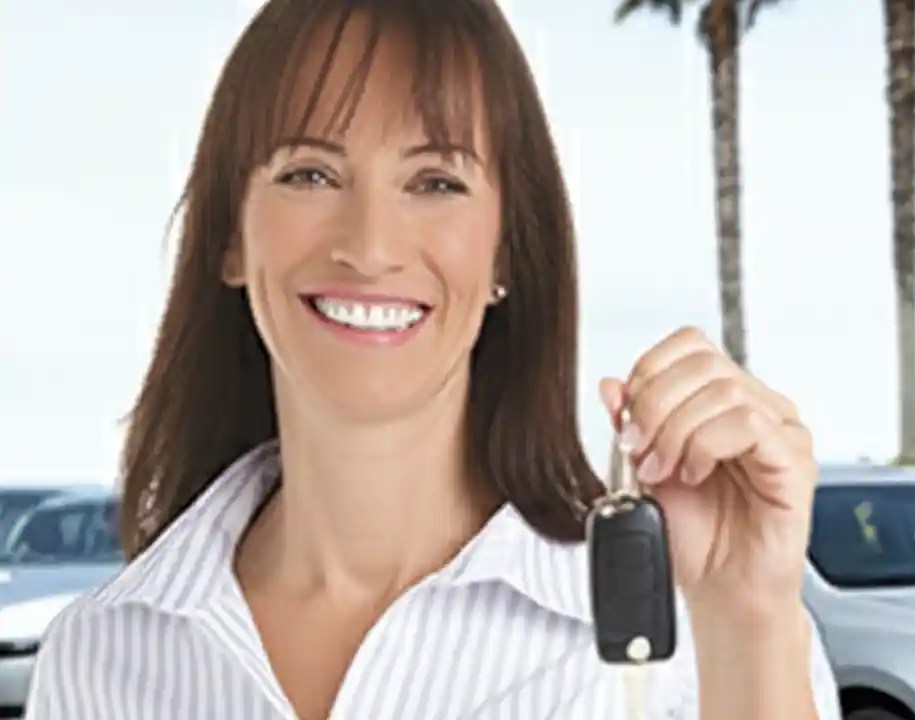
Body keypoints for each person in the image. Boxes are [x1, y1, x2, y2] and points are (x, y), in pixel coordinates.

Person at [26, 1, 841, 718]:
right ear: (231, 236)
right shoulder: (99, 659)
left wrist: (746, 622)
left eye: (436, 181)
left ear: (506, 255)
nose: (370, 246)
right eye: (310, 173)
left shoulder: (700, 623)